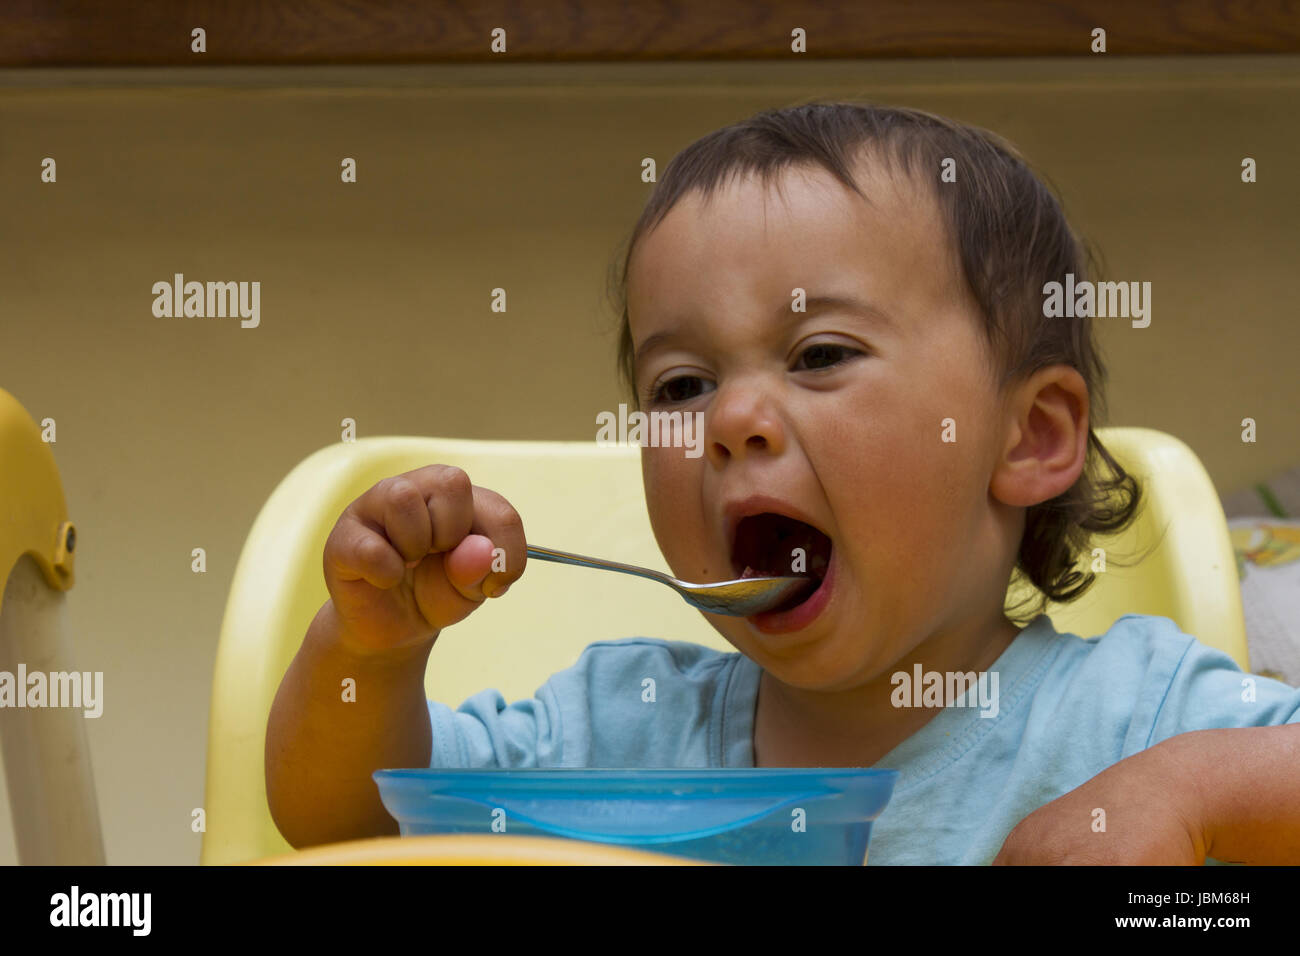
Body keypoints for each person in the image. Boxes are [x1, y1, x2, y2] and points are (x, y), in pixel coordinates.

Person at [265, 101, 1300, 864]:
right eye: (680, 382)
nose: (729, 421)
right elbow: (346, 821)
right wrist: (372, 649)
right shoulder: (623, 723)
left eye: (818, 355)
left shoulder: (1134, 713)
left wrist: (1190, 791)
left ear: (1028, 436)